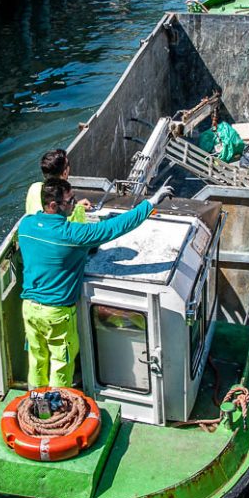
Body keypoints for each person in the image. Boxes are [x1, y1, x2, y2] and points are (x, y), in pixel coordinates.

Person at [18, 177, 173, 389]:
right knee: (60, 363)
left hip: (29, 310)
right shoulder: (72, 235)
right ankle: (56, 409)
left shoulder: (26, 225)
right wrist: (151, 203)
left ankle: (35, 401)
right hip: (56, 314)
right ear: (53, 205)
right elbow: (115, 227)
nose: (74, 204)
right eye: (70, 202)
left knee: (36, 359)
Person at [25, 148, 90, 223]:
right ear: (65, 173)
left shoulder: (34, 187)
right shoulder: (60, 195)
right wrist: (78, 208)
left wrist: (76, 205)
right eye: (68, 164)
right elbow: (66, 223)